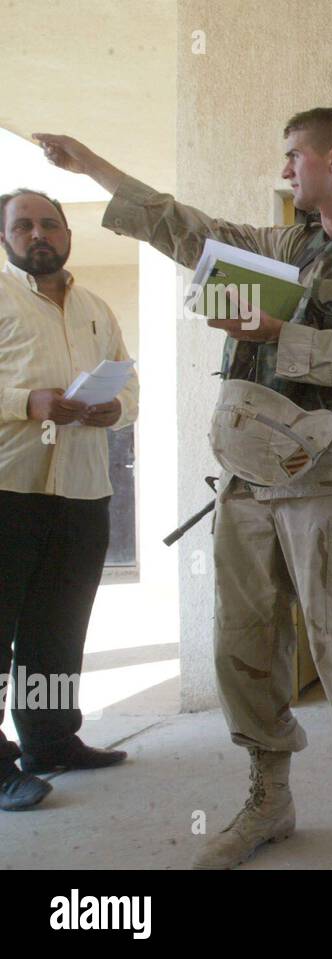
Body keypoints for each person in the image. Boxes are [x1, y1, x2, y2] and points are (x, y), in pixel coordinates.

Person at [36, 109, 332, 869]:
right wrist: (94, 167)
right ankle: (269, 795)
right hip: (252, 475)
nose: (285, 171)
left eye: (293, 156)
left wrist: (278, 336)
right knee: (243, 642)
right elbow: (185, 229)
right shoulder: (291, 244)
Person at [0, 188, 139, 811]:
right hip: (10, 489)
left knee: (57, 630)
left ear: (67, 234)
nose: (38, 234)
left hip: (82, 491)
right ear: (5, 238)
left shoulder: (94, 307)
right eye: (23, 225)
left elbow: (127, 377)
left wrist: (117, 408)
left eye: (49, 224)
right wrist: (24, 403)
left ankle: (52, 740)